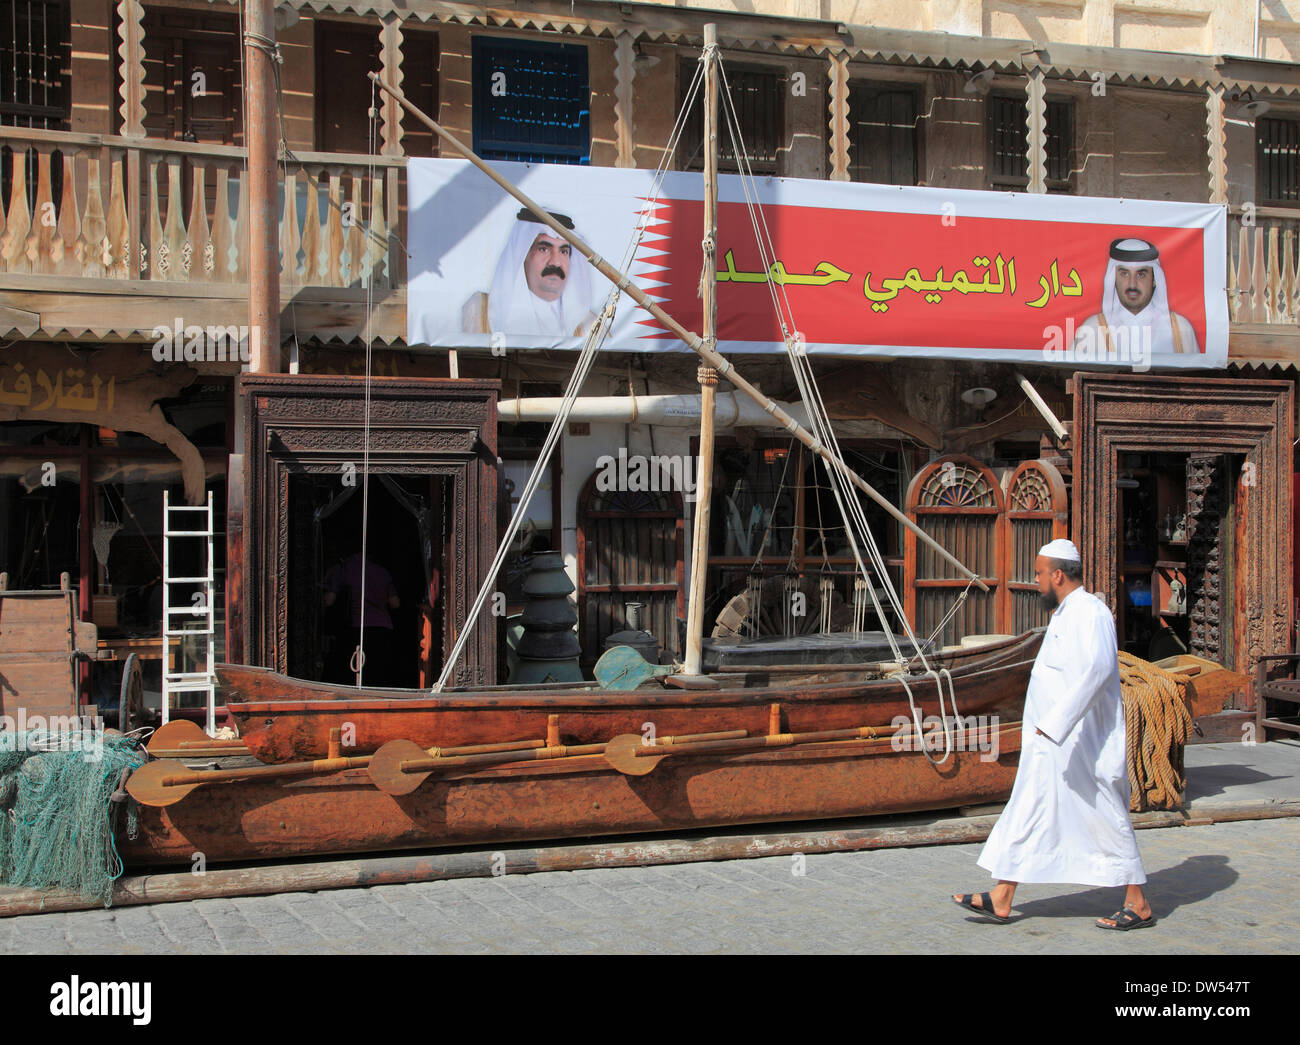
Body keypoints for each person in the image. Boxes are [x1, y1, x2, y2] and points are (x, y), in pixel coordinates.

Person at [951, 538, 1155, 931]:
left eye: (1041, 573)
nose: (1037, 580)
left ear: (1058, 575)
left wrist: (1056, 723)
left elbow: (1096, 672)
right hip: (1051, 745)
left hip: (1080, 742)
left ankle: (1138, 902)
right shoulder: (1066, 614)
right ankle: (1002, 896)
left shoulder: (1091, 613)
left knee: (1105, 817)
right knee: (1028, 809)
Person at [461, 207, 597, 337]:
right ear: (522, 254)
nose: (555, 262)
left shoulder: (589, 324)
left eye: (563, 251)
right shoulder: (481, 310)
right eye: (544, 249)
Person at [1071, 237, 1200, 356]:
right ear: (1113, 279)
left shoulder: (1180, 329)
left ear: (1155, 279)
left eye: (1141, 275)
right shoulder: (1092, 329)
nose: (1132, 284)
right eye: (1124, 274)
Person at [324, 550, 401, 686]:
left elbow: (329, 601)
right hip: (382, 628)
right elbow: (395, 603)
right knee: (376, 673)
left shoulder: (344, 569)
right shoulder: (382, 572)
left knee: (353, 673)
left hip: (356, 628)